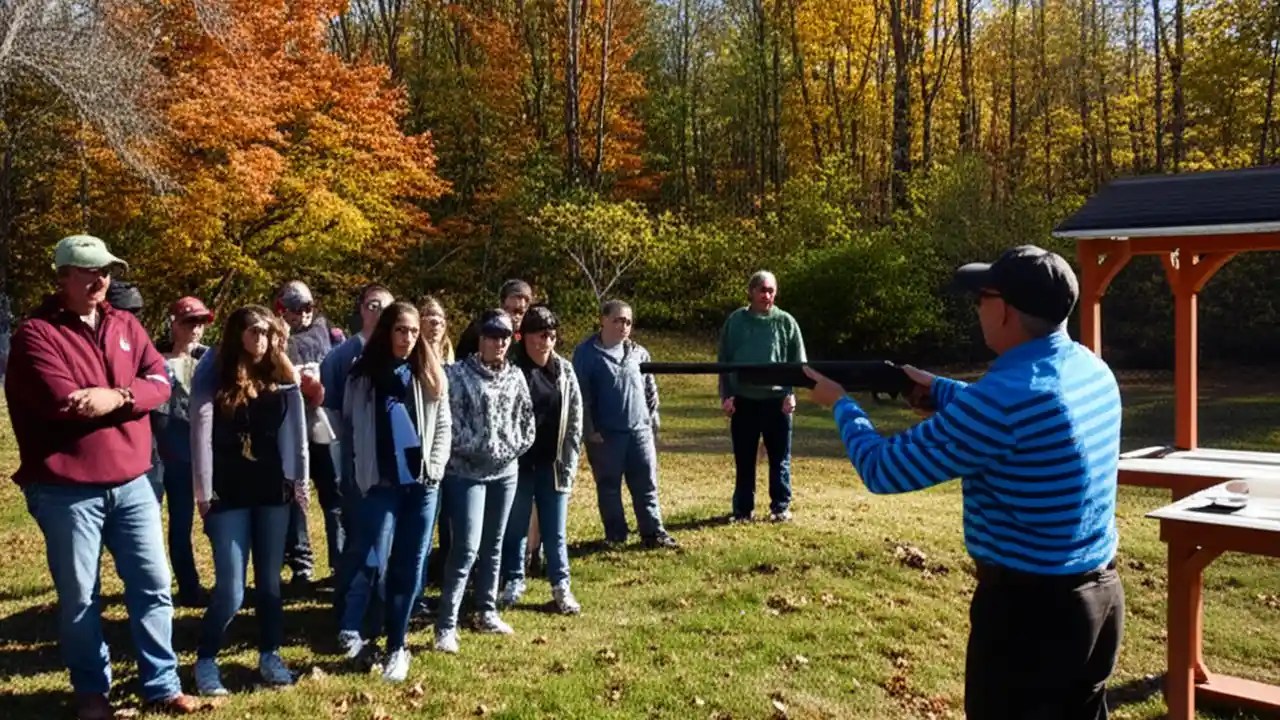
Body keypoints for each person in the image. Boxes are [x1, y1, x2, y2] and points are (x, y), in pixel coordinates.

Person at [804, 245, 1125, 719]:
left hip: (1028, 617)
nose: (976, 306)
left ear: (1007, 312)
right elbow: (1017, 415)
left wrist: (840, 404)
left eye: (982, 297)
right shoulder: (1092, 370)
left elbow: (881, 468)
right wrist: (943, 391)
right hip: (1097, 600)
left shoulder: (1001, 402)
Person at [4, 234, 200, 718]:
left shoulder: (126, 323)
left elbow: (160, 382)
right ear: (63, 277)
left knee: (153, 584)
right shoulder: (36, 334)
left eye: (106, 271)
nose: (100, 280)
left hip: (133, 483)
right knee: (79, 596)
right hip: (66, 490)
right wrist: (128, 394)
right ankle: (92, 692)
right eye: (89, 272)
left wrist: (118, 397)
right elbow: (66, 402)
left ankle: (162, 685)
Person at [188, 306, 311, 695]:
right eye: (253, 331)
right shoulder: (216, 373)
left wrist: (299, 480)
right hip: (228, 492)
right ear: (237, 333)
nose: (261, 338)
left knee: (270, 582)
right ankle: (206, 660)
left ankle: (270, 653)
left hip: (272, 489)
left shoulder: (279, 373)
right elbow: (200, 431)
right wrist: (203, 493)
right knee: (232, 588)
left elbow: (298, 430)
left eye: (267, 332)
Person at [338, 301, 451, 681]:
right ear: (387, 330)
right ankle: (354, 629)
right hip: (381, 485)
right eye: (401, 330)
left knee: (409, 564)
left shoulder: (427, 373)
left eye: (414, 332)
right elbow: (351, 430)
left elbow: (443, 426)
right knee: (376, 560)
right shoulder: (362, 375)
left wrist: (433, 469)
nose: (407, 338)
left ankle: (397, 646)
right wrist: (359, 474)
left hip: (421, 486)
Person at [435, 309, 536, 654]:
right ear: (480, 337)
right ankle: (446, 625)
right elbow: (451, 424)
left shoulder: (516, 377)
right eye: (492, 336)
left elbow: (526, 422)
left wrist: (507, 449)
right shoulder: (458, 375)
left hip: (506, 472)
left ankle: (486, 611)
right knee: (466, 549)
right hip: (466, 474)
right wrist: (481, 448)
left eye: (505, 337)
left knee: (494, 546)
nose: (498, 343)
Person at [572, 300, 679, 550]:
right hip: (605, 435)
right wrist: (590, 430)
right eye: (618, 320)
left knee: (646, 485)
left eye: (628, 322)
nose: (623, 326)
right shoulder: (586, 354)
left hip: (639, 432)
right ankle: (616, 535)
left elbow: (651, 391)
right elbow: (581, 396)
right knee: (609, 488)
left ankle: (653, 533)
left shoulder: (638, 353)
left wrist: (652, 423)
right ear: (603, 320)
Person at [498, 305, 584, 615]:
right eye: (539, 335)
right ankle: (513, 581)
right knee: (515, 527)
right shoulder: (511, 369)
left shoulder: (564, 371)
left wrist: (570, 461)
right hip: (519, 465)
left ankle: (561, 587)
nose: (545, 342)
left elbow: (575, 420)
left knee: (555, 530)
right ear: (524, 338)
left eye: (551, 335)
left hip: (553, 464)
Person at [322, 284, 396, 625]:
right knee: (357, 542)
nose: (379, 312)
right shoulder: (340, 358)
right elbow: (330, 418)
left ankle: (379, 611)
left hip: (395, 468)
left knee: (387, 544)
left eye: (387, 307)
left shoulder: (404, 354)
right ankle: (345, 612)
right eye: (373, 305)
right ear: (361, 309)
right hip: (354, 467)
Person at [717, 270, 806, 523]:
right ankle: (743, 510)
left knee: (780, 459)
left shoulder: (786, 322)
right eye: (762, 290)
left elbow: (797, 363)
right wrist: (727, 395)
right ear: (752, 292)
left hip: (776, 402)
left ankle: (780, 507)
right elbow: (724, 361)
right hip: (744, 400)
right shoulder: (736, 321)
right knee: (745, 459)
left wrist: (790, 394)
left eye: (771, 290)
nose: (767, 295)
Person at [275, 279, 344, 585]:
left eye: (307, 307)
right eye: (295, 308)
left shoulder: (330, 334)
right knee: (295, 495)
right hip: (289, 426)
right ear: (282, 310)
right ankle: (301, 563)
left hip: (323, 425)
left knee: (334, 495)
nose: (302, 314)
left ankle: (340, 561)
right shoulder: (276, 338)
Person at [151, 296, 215, 608]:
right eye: (189, 321)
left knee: (216, 520)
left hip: (207, 452)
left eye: (201, 322)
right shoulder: (156, 361)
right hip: (168, 452)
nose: (196, 328)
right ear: (173, 323)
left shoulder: (211, 360)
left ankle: (226, 585)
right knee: (179, 522)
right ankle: (187, 587)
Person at [454, 279, 533, 359]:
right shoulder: (482, 326)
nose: (514, 317)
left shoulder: (528, 333)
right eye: (508, 310)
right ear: (501, 304)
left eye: (520, 312)